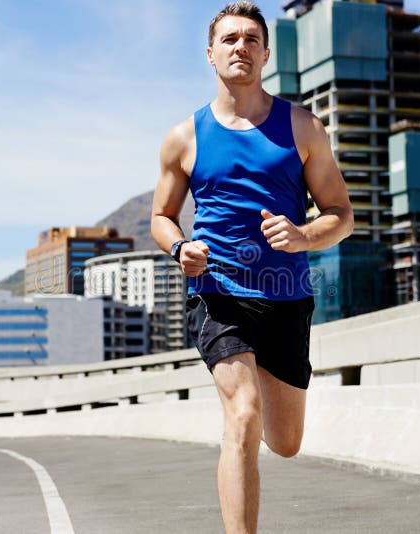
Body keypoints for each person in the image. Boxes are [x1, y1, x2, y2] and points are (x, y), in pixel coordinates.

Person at [150, 2, 353, 532]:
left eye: (250, 39)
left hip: (287, 296)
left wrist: (303, 235)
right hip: (217, 293)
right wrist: (180, 249)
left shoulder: (303, 127)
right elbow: (162, 217)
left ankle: (258, 391)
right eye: (229, 39)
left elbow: (342, 215)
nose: (240, 46)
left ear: (265, 54)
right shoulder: (184, 137)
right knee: (242, 415)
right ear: (211, 54)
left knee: (285, 443)